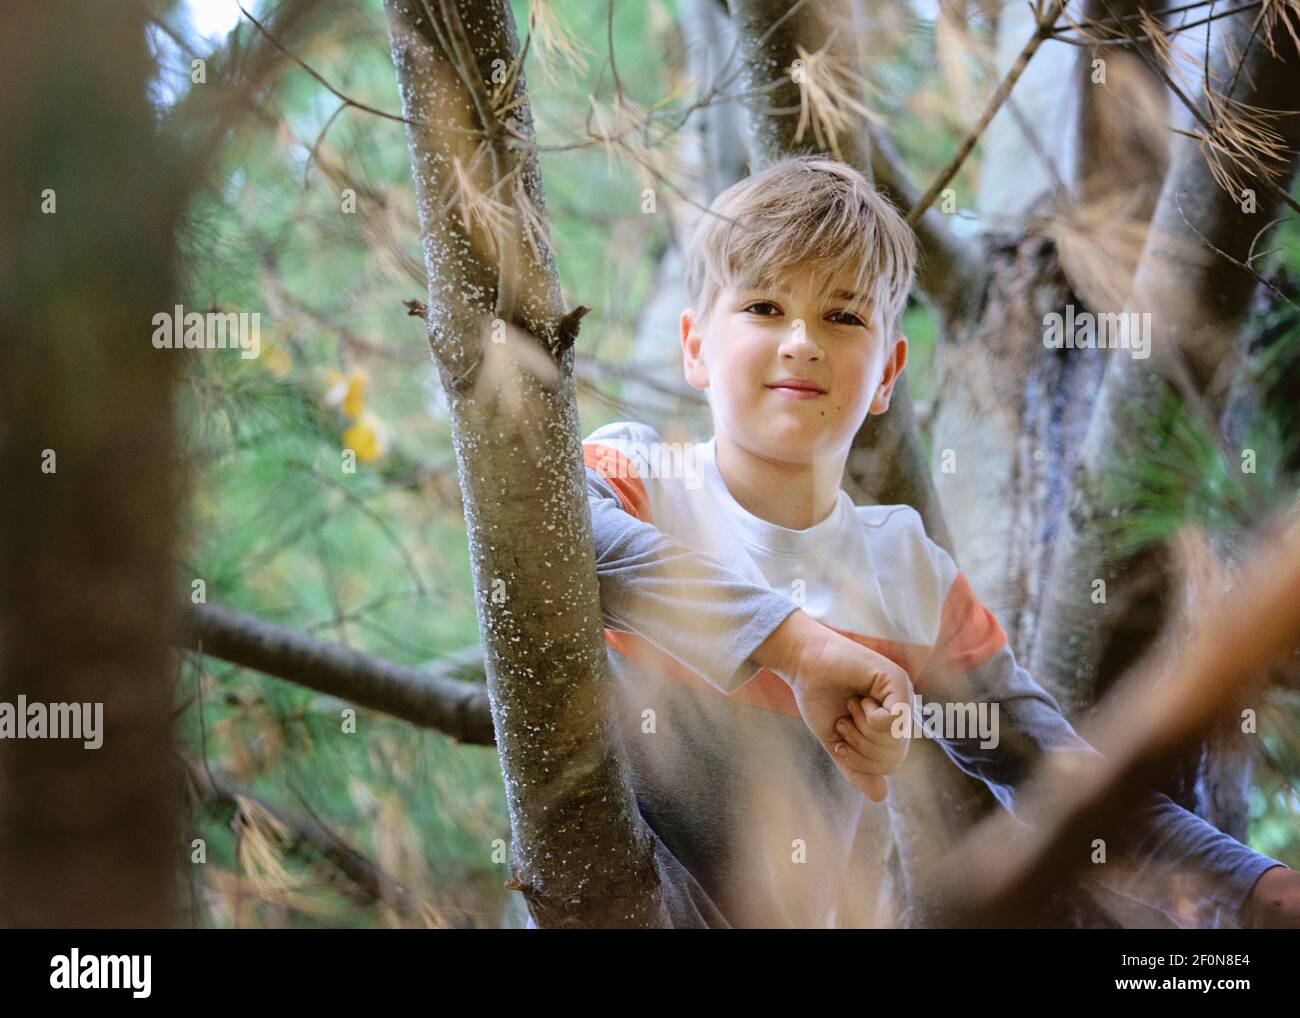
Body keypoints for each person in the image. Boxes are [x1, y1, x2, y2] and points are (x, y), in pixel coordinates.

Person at [549, 154, 1297, 928]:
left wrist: (1250, 884)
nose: (802, 340)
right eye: (765, 307)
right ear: (695, 346)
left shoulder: (907, 577)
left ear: (887, 373)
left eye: (843, 316)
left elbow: (1058, 777)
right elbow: (560, 545)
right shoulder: (638, 473)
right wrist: (802, 649)